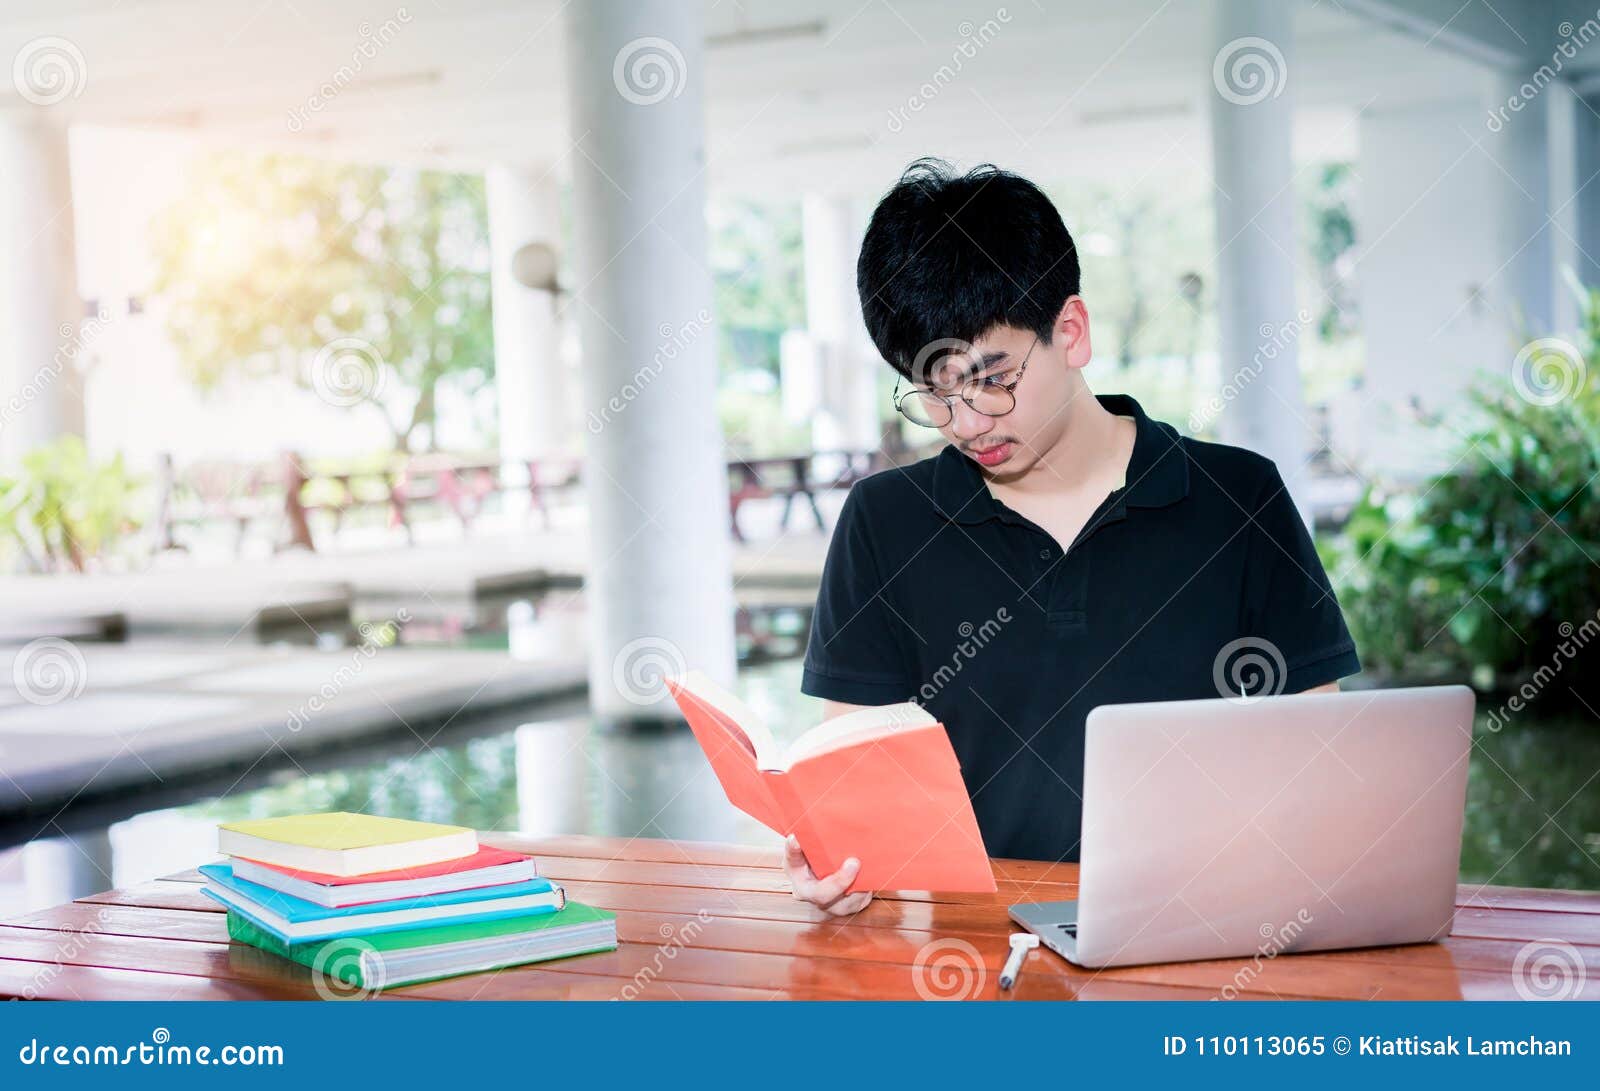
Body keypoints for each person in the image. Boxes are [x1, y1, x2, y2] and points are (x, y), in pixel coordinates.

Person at [787, 160, 1360, 916]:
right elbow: (856, 787)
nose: (966, 422)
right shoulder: (884, 522)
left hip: (1207, 944)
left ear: (1072, 331)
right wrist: (843, 871)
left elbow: (1316, 766)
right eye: (933, 390)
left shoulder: (1240, 500)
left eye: (992, 378)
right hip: (983, 966)